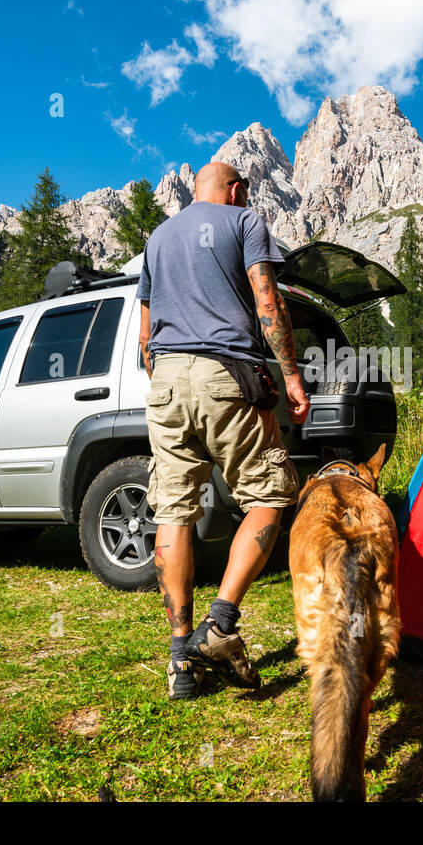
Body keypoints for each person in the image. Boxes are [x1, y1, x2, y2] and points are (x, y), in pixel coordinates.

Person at [136, 161, 310, 700]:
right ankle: (220, 621)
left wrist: (167, 377)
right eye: (245, 190)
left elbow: (144, 333)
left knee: (173, 511)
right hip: (226, 375)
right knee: (271, 494)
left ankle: (180, 659)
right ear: (235, 190)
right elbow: (268, 301)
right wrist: (292, 375)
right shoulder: (245, 221)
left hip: (164, 381)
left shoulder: (158, 239)